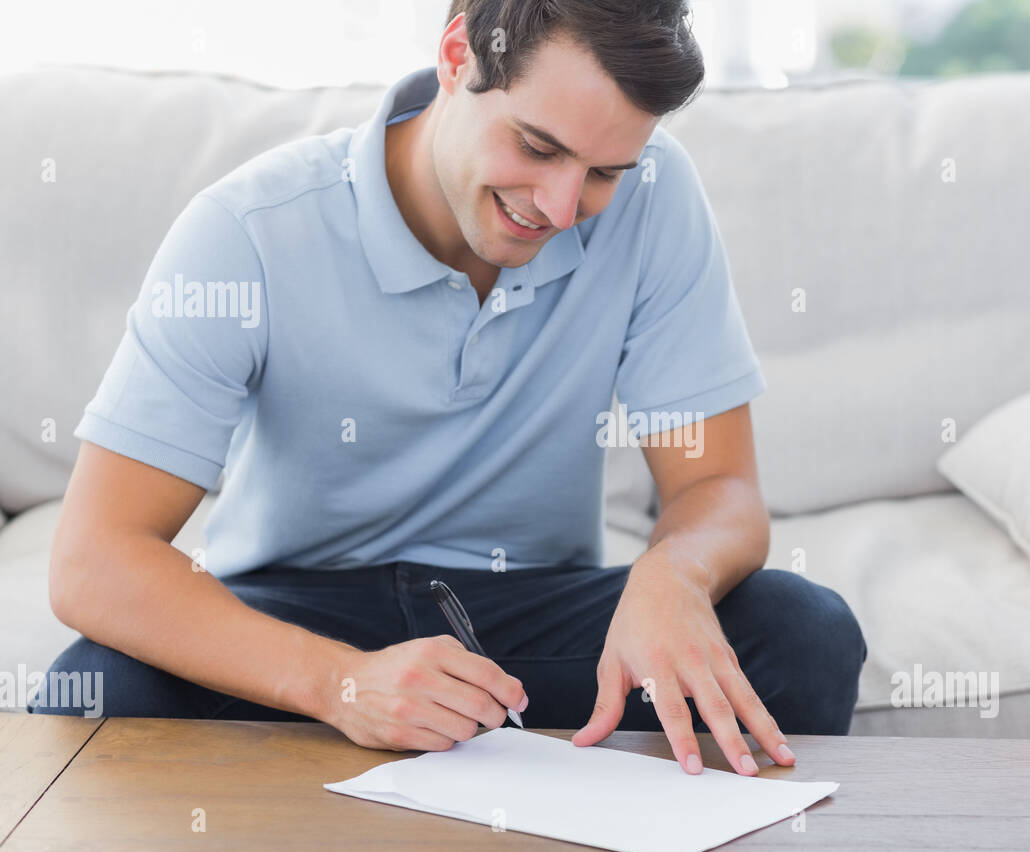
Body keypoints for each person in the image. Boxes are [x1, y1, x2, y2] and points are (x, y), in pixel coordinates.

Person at [32, 0, 867, 776]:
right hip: (300, 612)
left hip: (528, 624)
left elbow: (718, 486)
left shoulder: (656, 197)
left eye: (604, 172)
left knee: (803, 634)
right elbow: (93, 560)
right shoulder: (247, 232)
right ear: (458, 54)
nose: (561, 207)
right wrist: (339, 685)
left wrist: (672, 574)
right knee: (98, 686)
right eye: (537, 148)